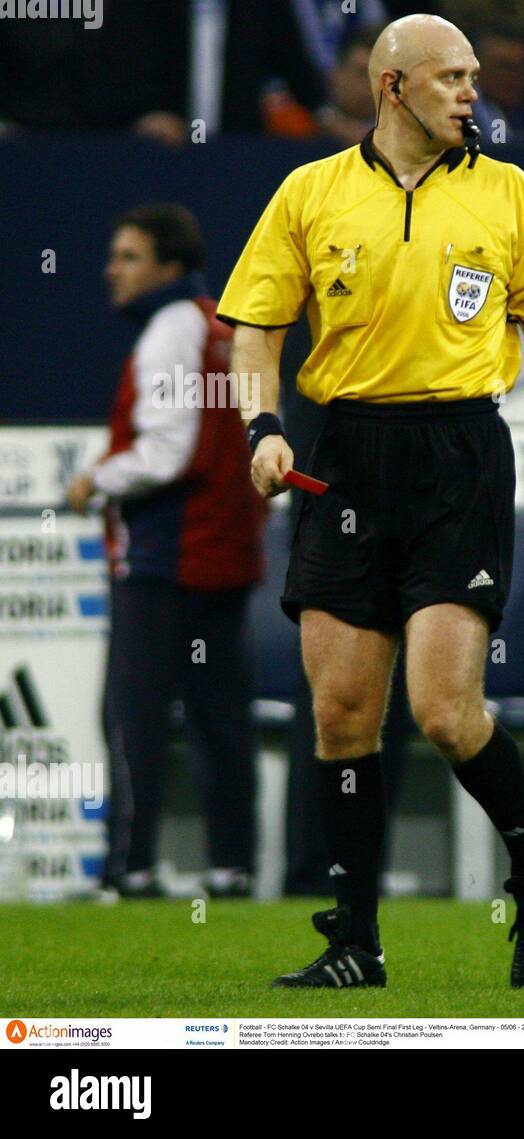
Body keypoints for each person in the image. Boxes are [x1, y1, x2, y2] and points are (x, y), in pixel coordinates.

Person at [218, 14, 524, 989]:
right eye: (454, 77)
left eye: (476, 75)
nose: (474, 91)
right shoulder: (310, 191)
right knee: (342, 712)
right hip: (343, 451)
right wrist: (261, 430)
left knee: (441, 706)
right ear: (394, 87)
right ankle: (355, 940)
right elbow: (255, 330)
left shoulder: (509, 193)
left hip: (460, 451)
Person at [68, 204, 266, 900]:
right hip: (227, 555)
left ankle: (131, 867)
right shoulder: (222, 327)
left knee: (133, 716)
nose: (111, 270)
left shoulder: (167, 332)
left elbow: (166, 449)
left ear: (169, 266)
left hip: (164, 554)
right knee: (219, 719)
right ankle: (232, 866)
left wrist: (96, 478)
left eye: (128, 256)